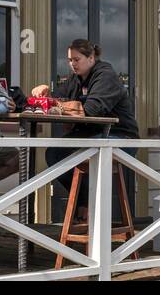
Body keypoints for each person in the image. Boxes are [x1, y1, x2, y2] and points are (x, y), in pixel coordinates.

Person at [33, 40, 139, 223]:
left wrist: (59, 105)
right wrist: (46, 92)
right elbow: (59, 98)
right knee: (54, 153)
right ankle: (84, 202)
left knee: (86, 153)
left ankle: (93, 214)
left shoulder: (106, 75)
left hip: (120, 136)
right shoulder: (75, 78)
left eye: (76, 59)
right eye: (69, 60)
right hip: (92, 135)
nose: (72, 64)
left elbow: (92, 109)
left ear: (91, 58)